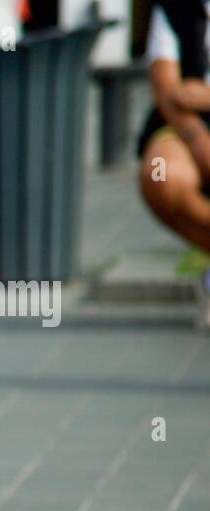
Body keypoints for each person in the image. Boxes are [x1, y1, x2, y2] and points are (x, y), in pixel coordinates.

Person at [137, 0, 210, 328]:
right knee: (160, 172)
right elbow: (167, 87)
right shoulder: (175, 6)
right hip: (190, 125)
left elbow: (191, 91)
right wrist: (197, 139)